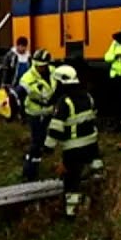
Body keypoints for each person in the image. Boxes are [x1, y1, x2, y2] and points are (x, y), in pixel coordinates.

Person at [41, 65, 103, 220]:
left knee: (71, 182)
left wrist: (47, 148)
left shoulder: (64, 102)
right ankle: (97, 196)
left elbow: (55, 129)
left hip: (73, 148)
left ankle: (71, 214)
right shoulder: (88, 97)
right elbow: (94, 117)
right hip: (91, 146)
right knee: (92, 174)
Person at [16, 48, 56, 182]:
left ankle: (42, 158)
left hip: (49, 111)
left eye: (43, 66)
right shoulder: (28, 78)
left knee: (47, 138)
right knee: (36, 142)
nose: (40, 69)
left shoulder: (53, 72)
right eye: (38, 66)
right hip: (35, 113)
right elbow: (19, 94)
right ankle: (29, 171)